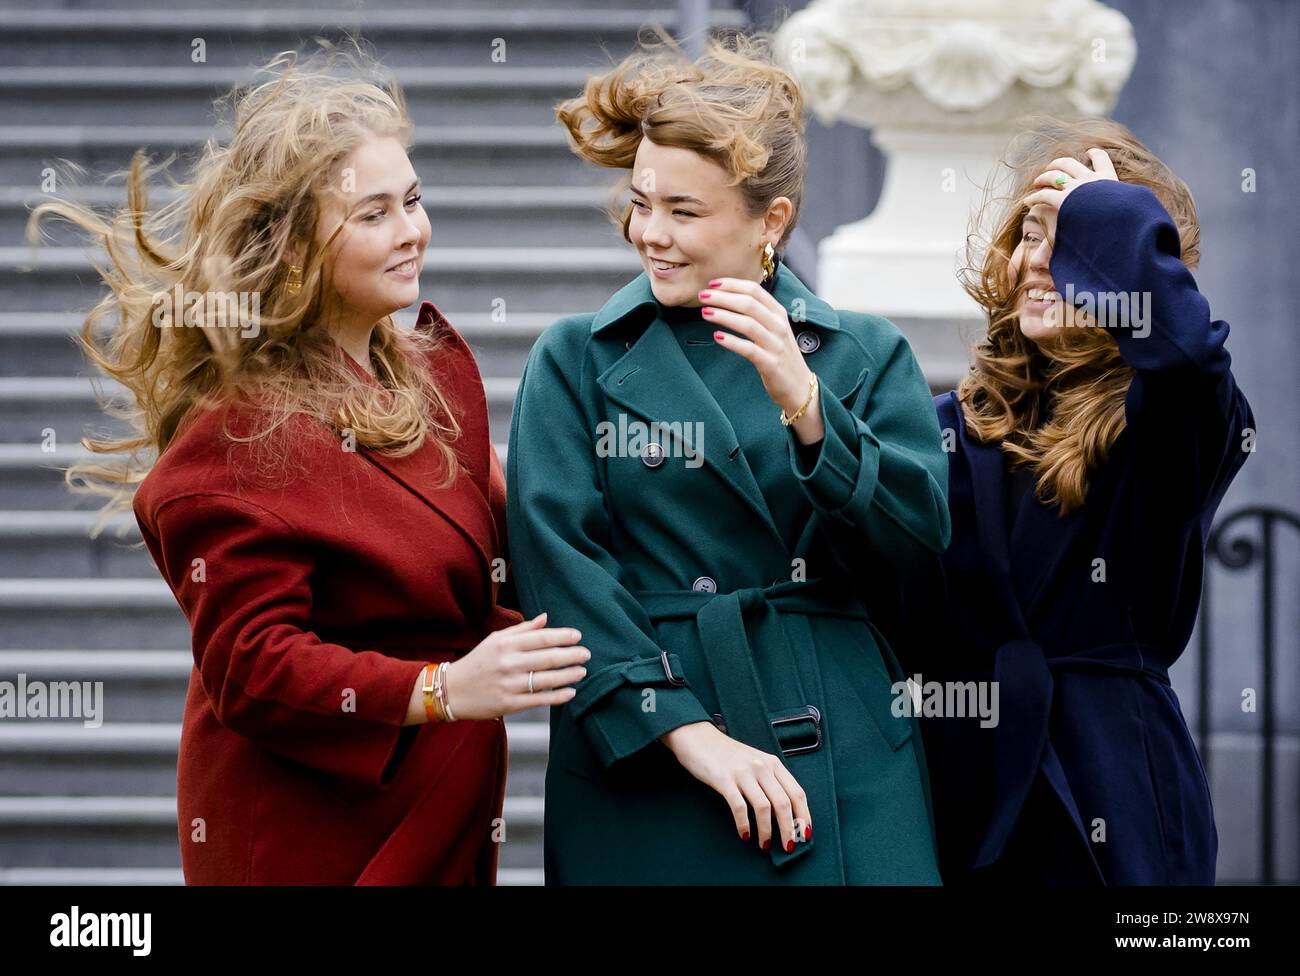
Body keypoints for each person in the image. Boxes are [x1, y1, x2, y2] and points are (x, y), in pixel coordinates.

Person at [28, 47, 588, 884]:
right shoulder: (235, 436)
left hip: (441, 808)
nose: (411, 232)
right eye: (373, 215)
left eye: (413, 200)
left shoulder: (435, 371)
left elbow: (501, 575)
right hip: (310, 834)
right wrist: (440, 689)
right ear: (293, 251)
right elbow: (249, 666)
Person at [506, 33, 951, 884]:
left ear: (770, 222)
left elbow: (916, 542)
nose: (651, 234)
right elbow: (559, 569)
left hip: (845, 746)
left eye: (685, 211)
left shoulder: (864, 351)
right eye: (641, 203)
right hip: (644, 751)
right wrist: (690, 733)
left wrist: (808, 406)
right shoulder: (576, 359)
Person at [897, 117, 1254, 885]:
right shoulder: (948, 427)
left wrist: (1106, 211)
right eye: (1030, 234)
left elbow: (1187, 354)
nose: (1038, 260)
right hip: (965, 790)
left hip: (1116, 791)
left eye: (1072, 236)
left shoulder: (1170, 423)